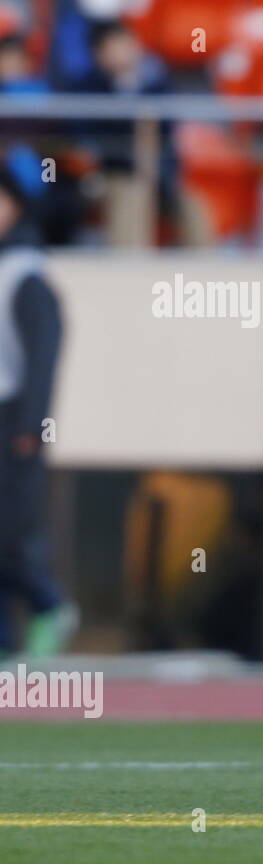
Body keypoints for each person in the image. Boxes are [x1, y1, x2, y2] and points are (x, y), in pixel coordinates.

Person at [0, 167, 76, 660]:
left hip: (11, 418)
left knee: (9, 530)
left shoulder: (25, 271)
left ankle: (49, 603)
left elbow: (44, 353)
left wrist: (33, 423)